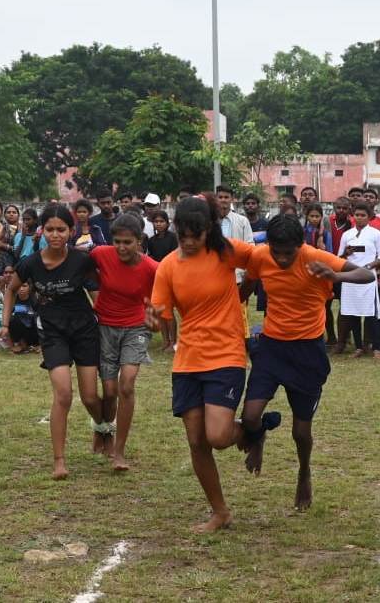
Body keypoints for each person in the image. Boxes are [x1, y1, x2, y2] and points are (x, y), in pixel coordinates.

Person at [146, 194, 271, 533]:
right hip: (187, 361)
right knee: (197, 441)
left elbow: (261, 261)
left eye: (195, 234)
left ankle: (252, 429)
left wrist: (246, 287)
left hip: (226, 355)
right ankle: (220, 512)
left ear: (209, 230)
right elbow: (160, 313)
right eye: (182, 234)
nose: (188, 241)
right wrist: (153, 319)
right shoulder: (168, 266)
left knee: (216, 435)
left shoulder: (227, 251)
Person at [239, 214, 374, 511]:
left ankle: (304, 471)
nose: (283, 259)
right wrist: (231, 303)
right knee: (249, 418)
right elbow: (247, 285)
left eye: (289, 252)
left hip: (307, 352)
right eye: (277, 252)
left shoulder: (315, 257)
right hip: (272, 347)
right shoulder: (261, 256)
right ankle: (259, 435)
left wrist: (336, 276)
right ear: (269, 246)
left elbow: (368, 276)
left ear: (300, 246)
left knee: (301, 432)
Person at [0, 204, 104, 479]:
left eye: (61, 229)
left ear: (71, 231)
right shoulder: (31, 262)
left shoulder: (82, 261)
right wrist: (5, 324)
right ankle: (59, 460)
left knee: (91, 397)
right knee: (64, 394)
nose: (55, 235)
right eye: (50, 229)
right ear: (42, 231)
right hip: (52, 330)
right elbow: (11, 290)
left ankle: (104, 426)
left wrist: (108, 322)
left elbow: (97, 293)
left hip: (84, 329)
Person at [88, 214, 158, 472]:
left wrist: (155, 318)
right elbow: (78, 266)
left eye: (127, 242)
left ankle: (119, 451)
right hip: (105, 326)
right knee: (109, 392)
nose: (121, 247)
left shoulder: (152, 268)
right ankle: (101, 429)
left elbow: (160, 302)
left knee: (126, 384)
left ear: (140, 241)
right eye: (117, 241)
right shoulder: (100, 254)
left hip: (135, 328)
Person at [337, 202, 380, 359]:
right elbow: (338, 258)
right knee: (353, 314)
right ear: (352, 216)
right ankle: (358, 347)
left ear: (369, 217)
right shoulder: (347, 235)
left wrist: (369, 265)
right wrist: (345, 253)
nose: (359, 218)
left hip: (368, 278)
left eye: (363, 215)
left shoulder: (376, 234)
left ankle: (376, 347)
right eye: (357, 215)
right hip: (350, 277)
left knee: (372, 315)